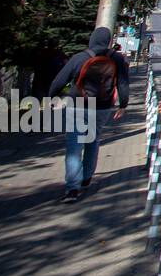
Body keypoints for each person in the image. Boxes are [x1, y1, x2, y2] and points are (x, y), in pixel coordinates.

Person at [49, 27, 129, 203]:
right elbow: (123, 83)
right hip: (102, 107)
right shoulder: (116, 58)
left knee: (74, 146)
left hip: (77, 106)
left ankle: (72, 189)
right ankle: (86, 178)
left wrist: (51, 97)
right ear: (109, 40)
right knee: (93, 141)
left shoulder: (80, 58)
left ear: (91, 39)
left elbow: (59, 81)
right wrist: (123, 105)